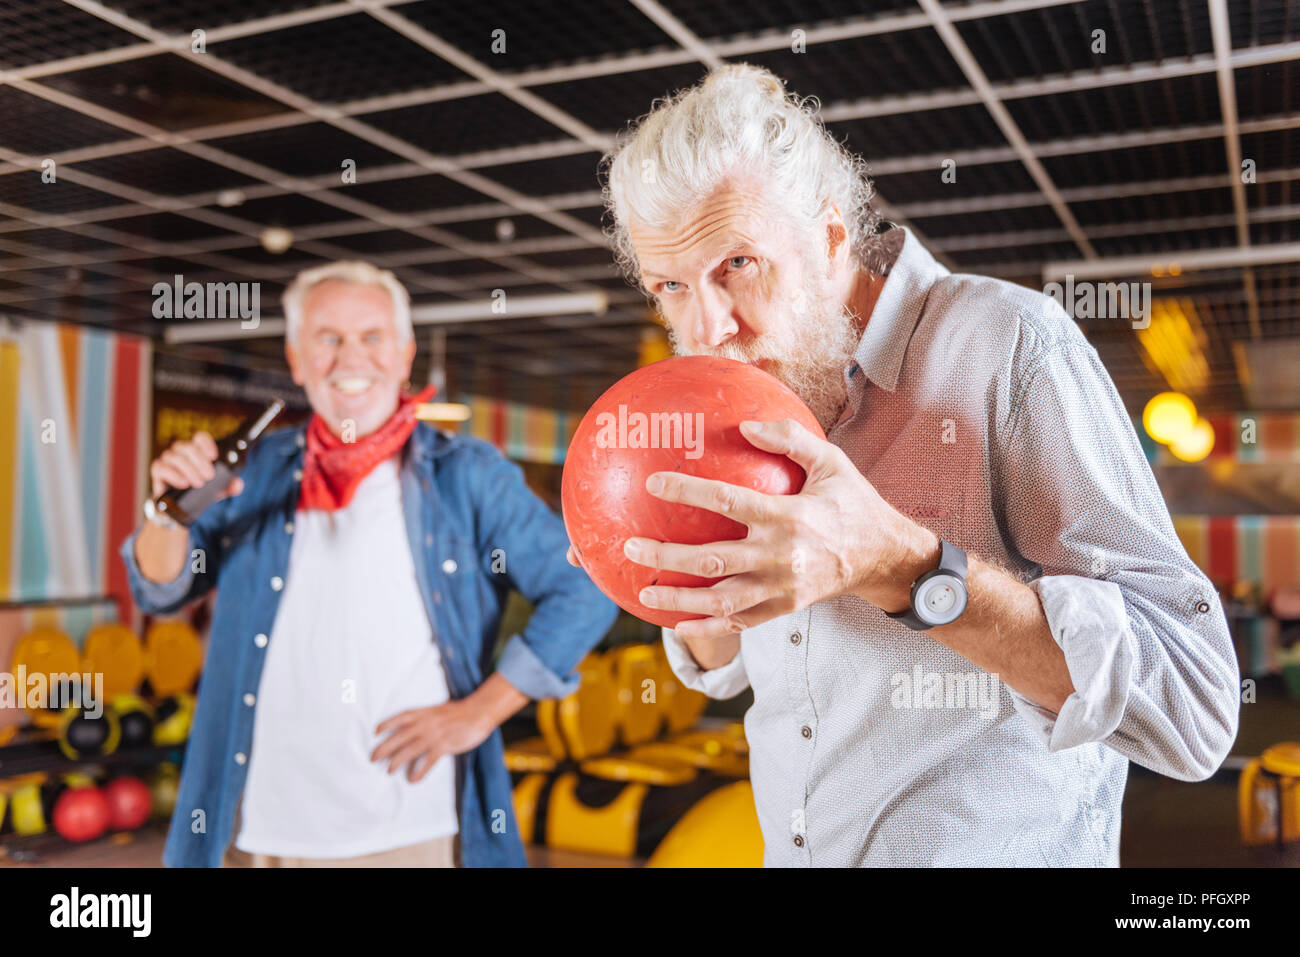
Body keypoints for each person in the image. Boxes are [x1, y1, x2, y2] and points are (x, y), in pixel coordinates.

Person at [577, 64, 1240, 866]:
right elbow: (740, 675)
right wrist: (688, 590)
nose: (708, 326)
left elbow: (1195, 708)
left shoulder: (1011, 348)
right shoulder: (739, 407)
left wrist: (904, 566)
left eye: (737, 267)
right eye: (671, 286)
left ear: (828, 242)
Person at [121, 260, 616, 868]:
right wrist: (168, 512)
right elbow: (160, 590)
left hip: (407, 825)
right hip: (254, 826)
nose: (350, 358)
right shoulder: (251, 468)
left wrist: (479, 713)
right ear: (298, 359)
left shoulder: (467, 475)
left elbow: (586, 587)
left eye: (371, 337)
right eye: (328, 339)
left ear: (404, 354)